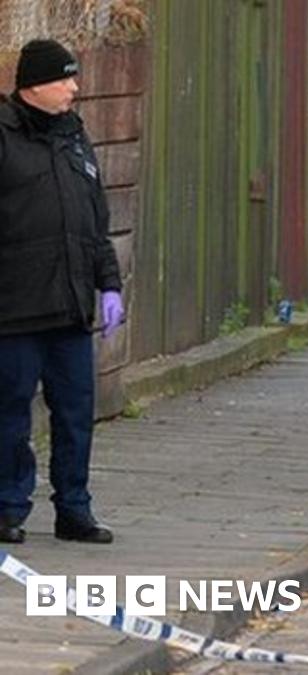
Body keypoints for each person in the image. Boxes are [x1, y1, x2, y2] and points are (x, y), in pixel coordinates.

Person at [0, 39, 124, 544]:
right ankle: (8, 507)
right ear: (34, 85)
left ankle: (75, 509)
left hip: (71, 307)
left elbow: (95, 220)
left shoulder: (76, 137)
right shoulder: (5, 137)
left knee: (76, 414)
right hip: (16, 307)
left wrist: (109, 284)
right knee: (10, 414)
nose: (75, 87)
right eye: (65, 78)